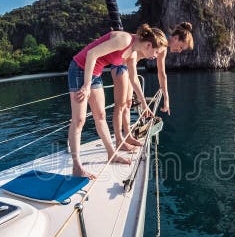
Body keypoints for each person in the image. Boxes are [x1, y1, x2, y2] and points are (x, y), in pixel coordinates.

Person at [68, 24, 167, 179]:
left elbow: (134, 79)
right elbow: (92, 54)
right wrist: (86, 85)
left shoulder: (133, 53)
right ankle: (77, 167)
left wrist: (144, 103)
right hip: (80, 69)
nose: (155, 56)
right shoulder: (124, 40)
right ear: (148, 45)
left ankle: (111, 154)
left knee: (100, 115)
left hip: (95, 73)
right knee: (79, 120)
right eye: (156, 52)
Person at [111, 22, 194, 151]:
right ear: (176, 38)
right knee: (120, 104)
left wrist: (166, 98)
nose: (180, 51)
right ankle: (118, 141)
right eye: (181, 47)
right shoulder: (157, 39)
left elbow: (162, 73)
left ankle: (127, 136)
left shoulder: (163, 49)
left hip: (131, 68)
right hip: (121, 64)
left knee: (127, 104)